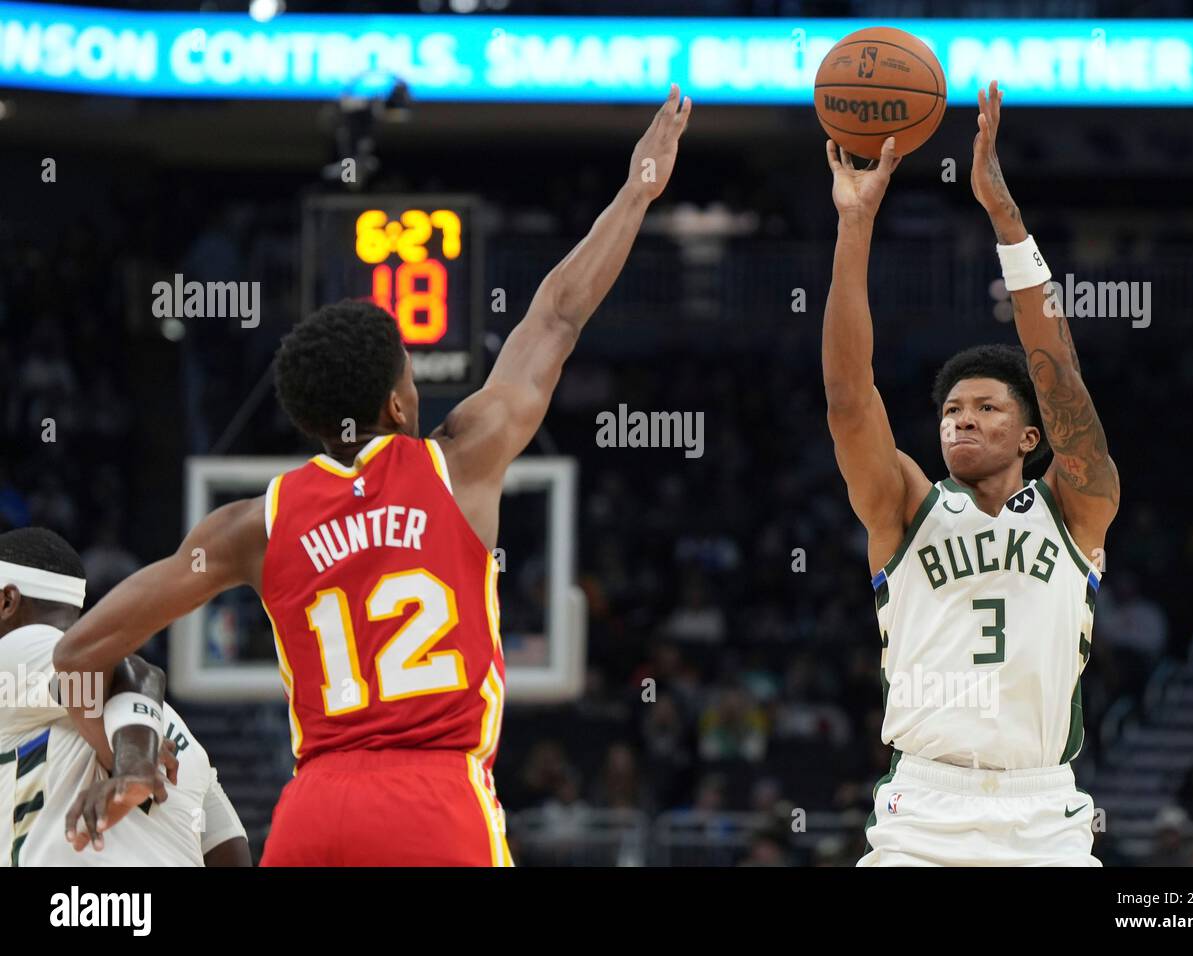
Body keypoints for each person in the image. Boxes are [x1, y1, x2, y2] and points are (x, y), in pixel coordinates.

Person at [54, 86, 692, 866]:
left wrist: (127, 759)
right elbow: (557, 316)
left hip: (315, 813)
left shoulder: (252, 526)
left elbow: (78, 653)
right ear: (396, 401)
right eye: (414, 377)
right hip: (437, 803)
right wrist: (640, 188)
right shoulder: (463, 459)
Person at [822, 81, 1119, 866]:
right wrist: (856, 224)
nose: (962, 419)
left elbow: (1059, 374)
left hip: (1044, 811)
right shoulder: (906, 506)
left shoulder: (1077, 504)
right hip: (923, 809)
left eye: (987, 408)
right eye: (953, 409)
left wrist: (1006, 221)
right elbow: (849, 399)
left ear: (1031, 434)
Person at [0, 527, 247, 866]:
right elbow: (228, 849)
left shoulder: (15, 653)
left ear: (6, 602)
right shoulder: (179, 731)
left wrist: (133, 767)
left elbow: (125, 668)